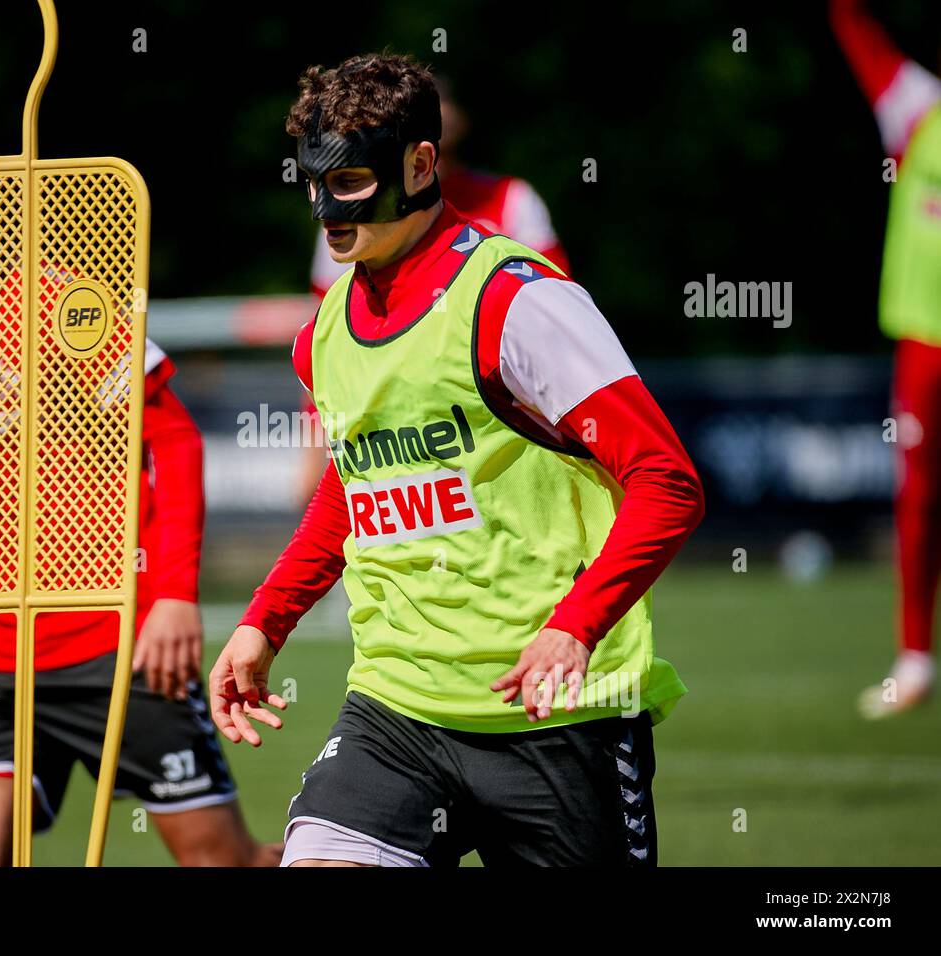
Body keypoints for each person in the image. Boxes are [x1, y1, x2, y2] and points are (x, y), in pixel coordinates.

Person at [209, 55, 704, 867]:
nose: (327, 209)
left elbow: (668, 482)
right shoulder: (326, 328)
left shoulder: (519, 302)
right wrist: (267, 620)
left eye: (353, 181)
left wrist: (574, 627)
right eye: (314, 182)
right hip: (396, 711)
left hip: (555, 716)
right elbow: (354, 489)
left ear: (421, 165)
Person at [0, 115, 279, 866]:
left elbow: (174, 441)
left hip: (112, 638)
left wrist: (175, 596)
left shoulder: (60, 301)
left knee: (223, 860)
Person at [294, 76, 569, 507]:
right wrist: (316, 441)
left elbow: (559, 329)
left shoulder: (510, 199)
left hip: (504, 428)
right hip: (397, 431)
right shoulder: (346, 219)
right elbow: (331, 342)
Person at [831, 0, 941, 718]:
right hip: (926, 337)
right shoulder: (918, 108)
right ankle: (914, 657)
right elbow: (852, 24)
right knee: (919, 496)